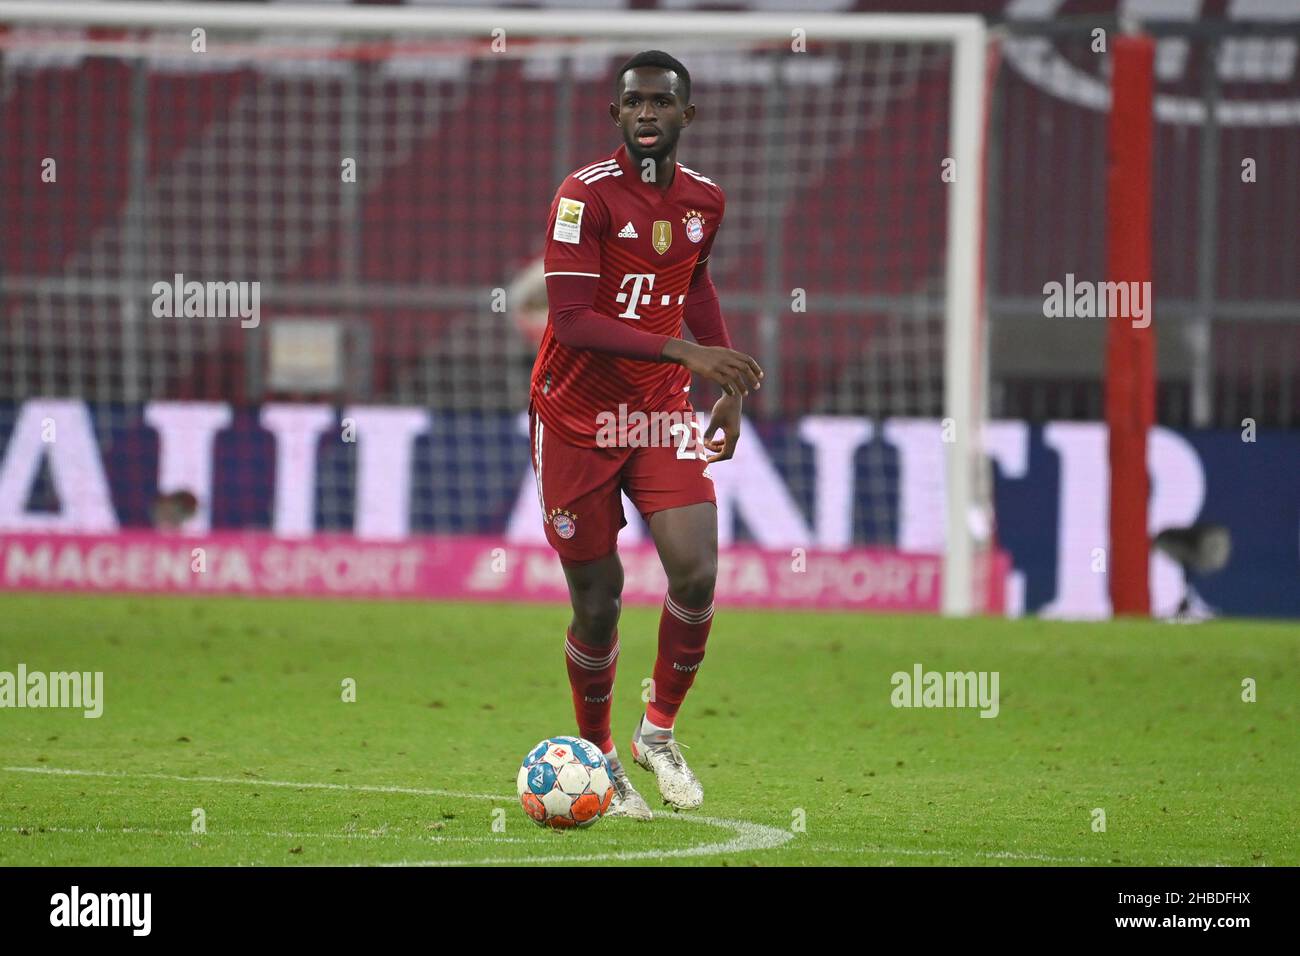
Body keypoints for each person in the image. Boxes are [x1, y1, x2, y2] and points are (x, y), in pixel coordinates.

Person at [528, 51, 763, 817]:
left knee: (694, 571)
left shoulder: (705, 201)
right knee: (599, 602)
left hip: (659, 412)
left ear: (686, 117)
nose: (649, 114)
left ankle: (656, 731)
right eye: (636, 103)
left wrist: (721, 384)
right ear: (617, 116)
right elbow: (571, 320)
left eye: (663, 103)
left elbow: (693, 281)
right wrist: (686, 352)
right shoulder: (583, 198)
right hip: (574, 417)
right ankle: (597, 756)